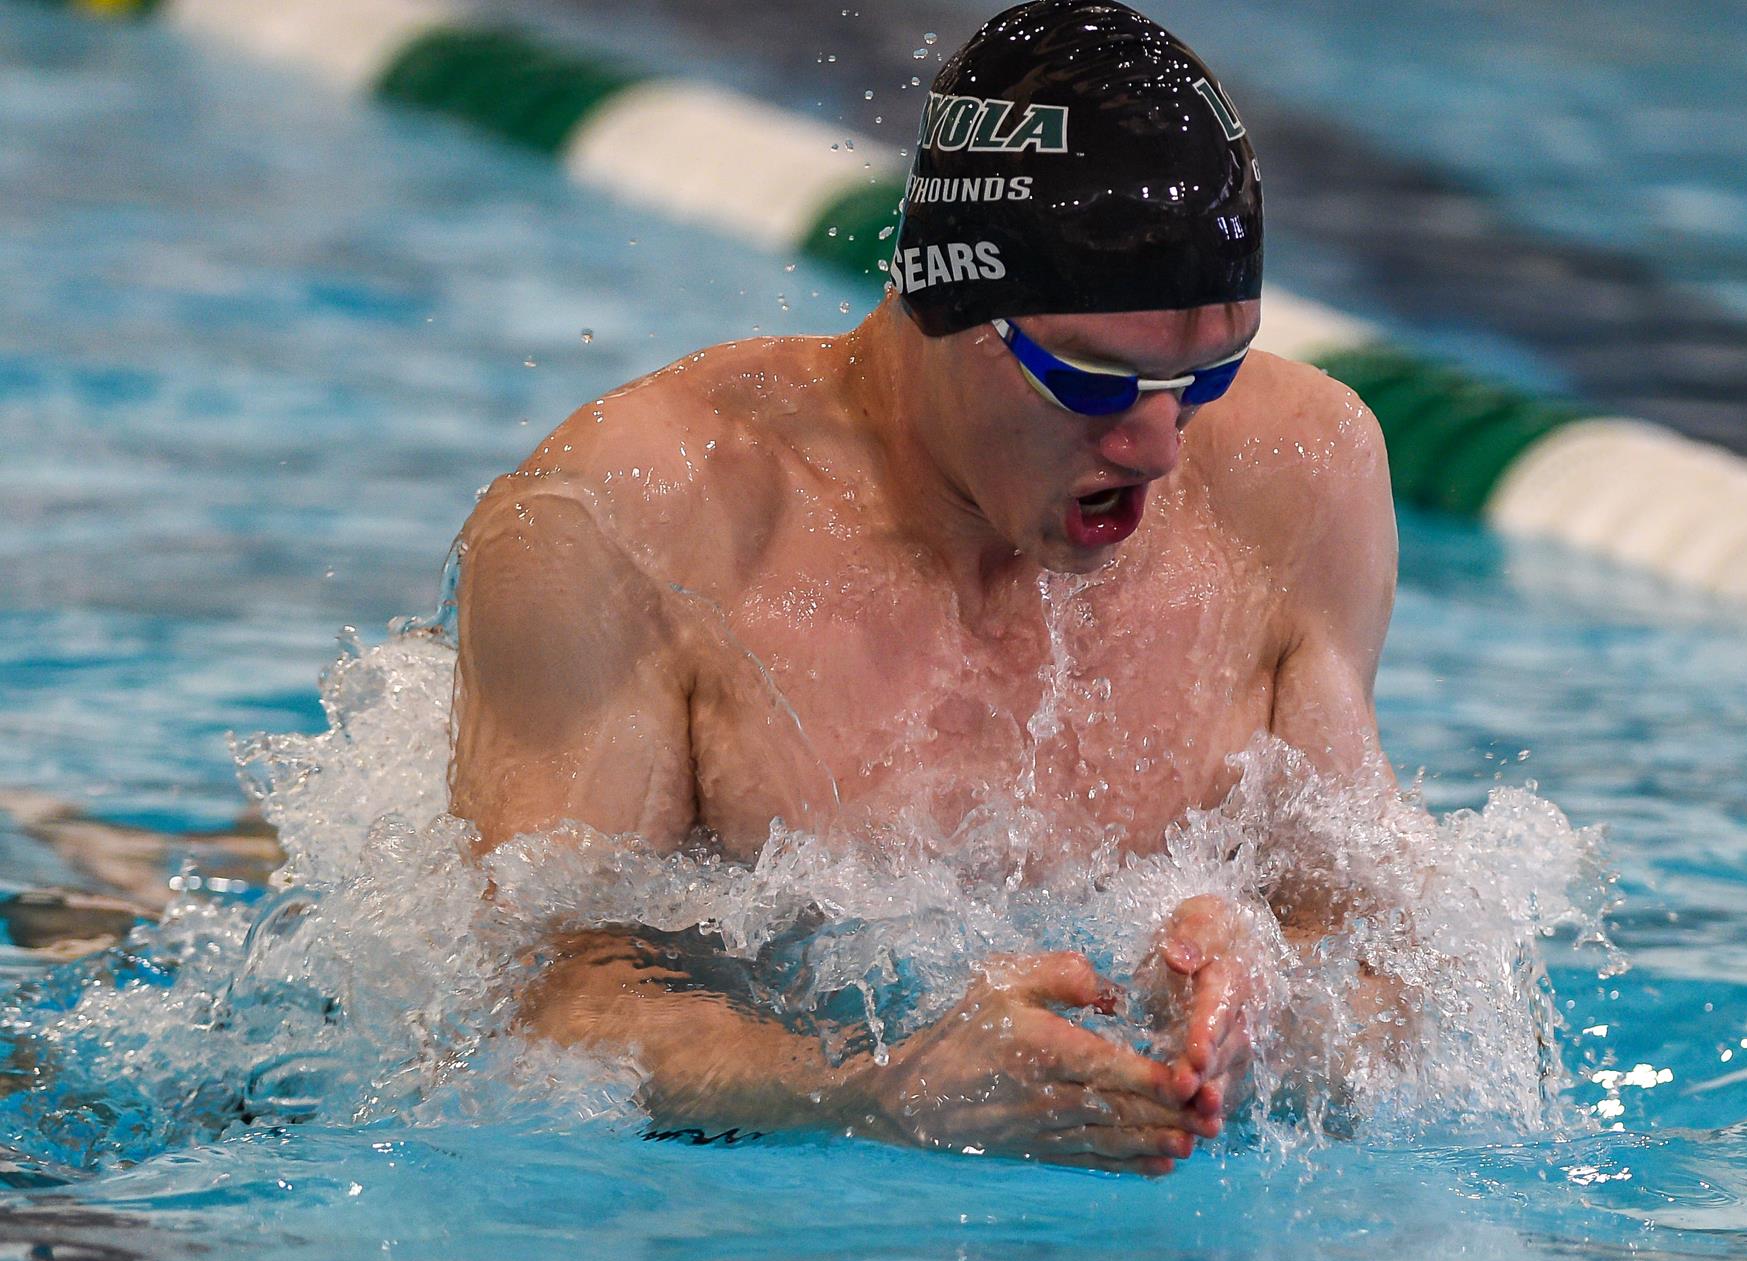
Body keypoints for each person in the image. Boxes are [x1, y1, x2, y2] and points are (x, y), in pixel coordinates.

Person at [447, 0, 1399, 1176]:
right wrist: (872, 1090)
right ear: (941, 304)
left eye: (1205, 375)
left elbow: (1387, 946)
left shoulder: (1298, 476)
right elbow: (532, 1000)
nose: (1160, 447)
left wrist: (1276, 995)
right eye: (1093, 380)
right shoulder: (638, 521)